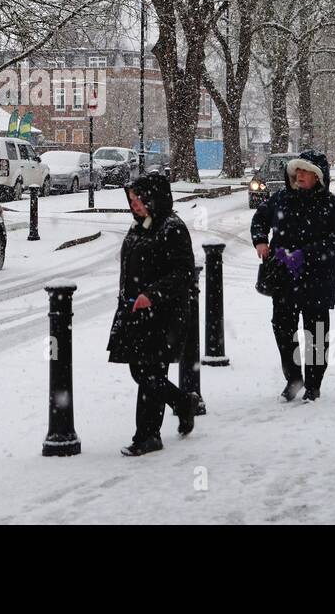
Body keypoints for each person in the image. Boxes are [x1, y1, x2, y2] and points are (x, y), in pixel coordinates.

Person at [107, 170, 201, 456]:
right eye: (132, 200)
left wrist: (152, 294)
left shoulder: (172, 227)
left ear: (153, 199)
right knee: (141, 370)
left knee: (151, 371)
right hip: (138, 310)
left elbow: (183, 272)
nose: (134, 205)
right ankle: (182, 403)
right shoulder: (141, 225)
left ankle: (148, 435)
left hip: (165, 314)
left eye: (138, 199)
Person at [250, 149, 335, 403]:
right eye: (297, 170)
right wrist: (260, 241)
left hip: (317, 278)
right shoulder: (281, 198)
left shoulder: (330, 203)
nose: (299, 175)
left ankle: (313, 384)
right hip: (283, 277)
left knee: (315, 332)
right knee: (283, 329)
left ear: (318, 176)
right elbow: (260, 218)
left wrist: (306, 253)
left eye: (305, 171)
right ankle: (293, 378)